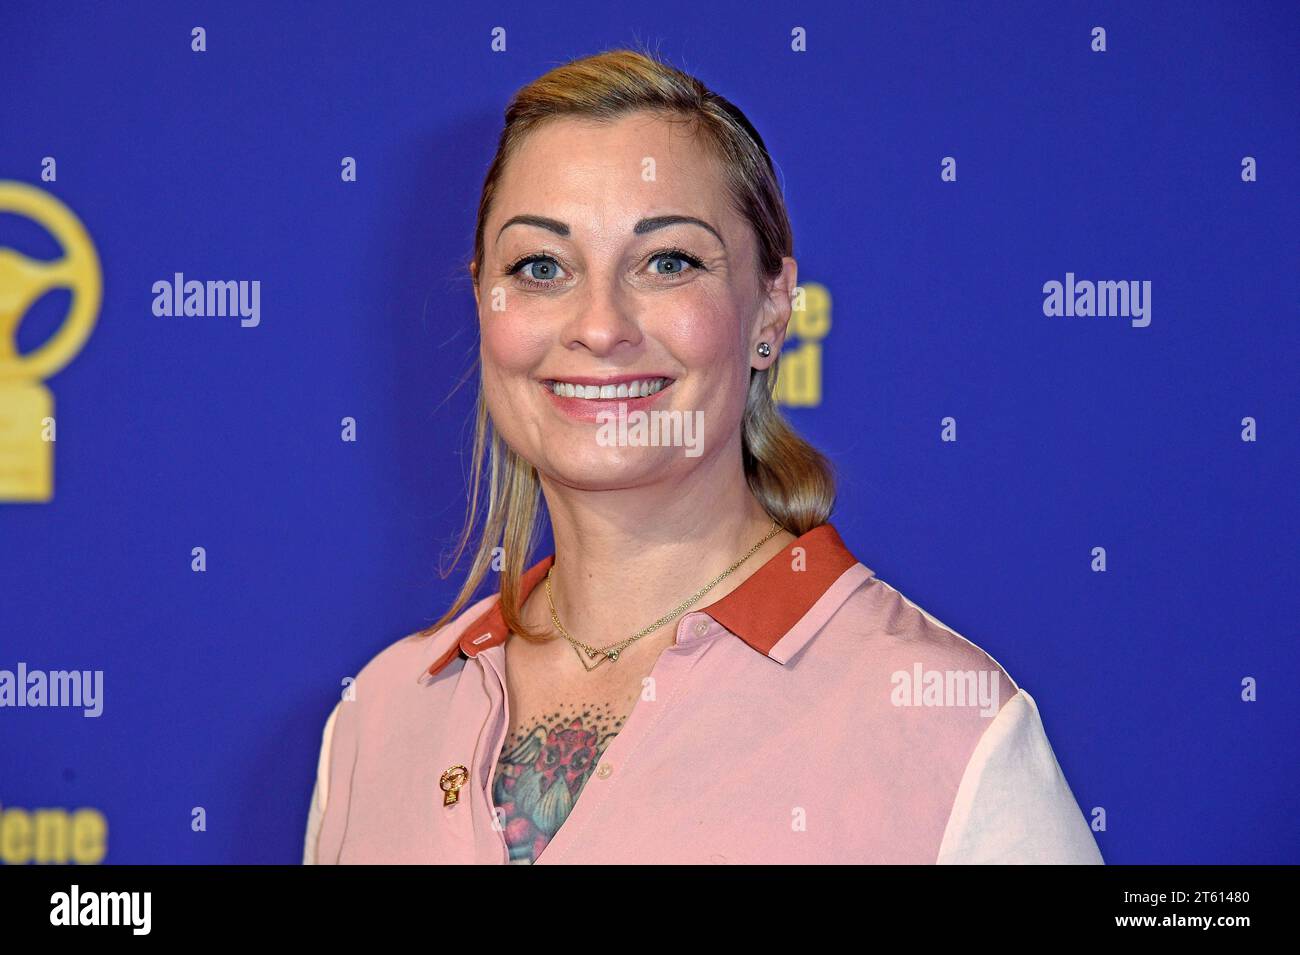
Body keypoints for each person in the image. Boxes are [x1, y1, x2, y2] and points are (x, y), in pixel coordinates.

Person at [303, 47, 1104, 865]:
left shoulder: (948, 727)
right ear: (484, 301)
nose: (601, 325)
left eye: (667, 262)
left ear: (770, 308)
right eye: (541, 266)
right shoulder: (379, 716)